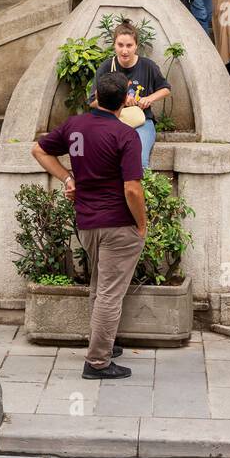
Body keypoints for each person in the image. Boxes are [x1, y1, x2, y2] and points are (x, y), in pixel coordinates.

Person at [31, 70, 146, 380]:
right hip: (118, 224)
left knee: (99, 287)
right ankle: (97, 362)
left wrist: (68, 178)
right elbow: (132, 189)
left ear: (95, 95)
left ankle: (103, 343)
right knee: (110, 293)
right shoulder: (126, 135)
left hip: (86, 223)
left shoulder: (74, 125)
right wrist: (142, 225)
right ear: (125, 100)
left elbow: (38, 150)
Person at [88, 20, 171, 172]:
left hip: (142, 121)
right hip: (112, 122)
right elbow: (93, 101)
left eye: (129, 45)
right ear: (114, 45)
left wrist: (149, 98)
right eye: (120, 45)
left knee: (139, 161)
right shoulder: (107, 66)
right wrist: (119, 98)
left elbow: (165, 88)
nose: (124, 50)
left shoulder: (148, 66)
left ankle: (140, 193)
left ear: (136, 46)